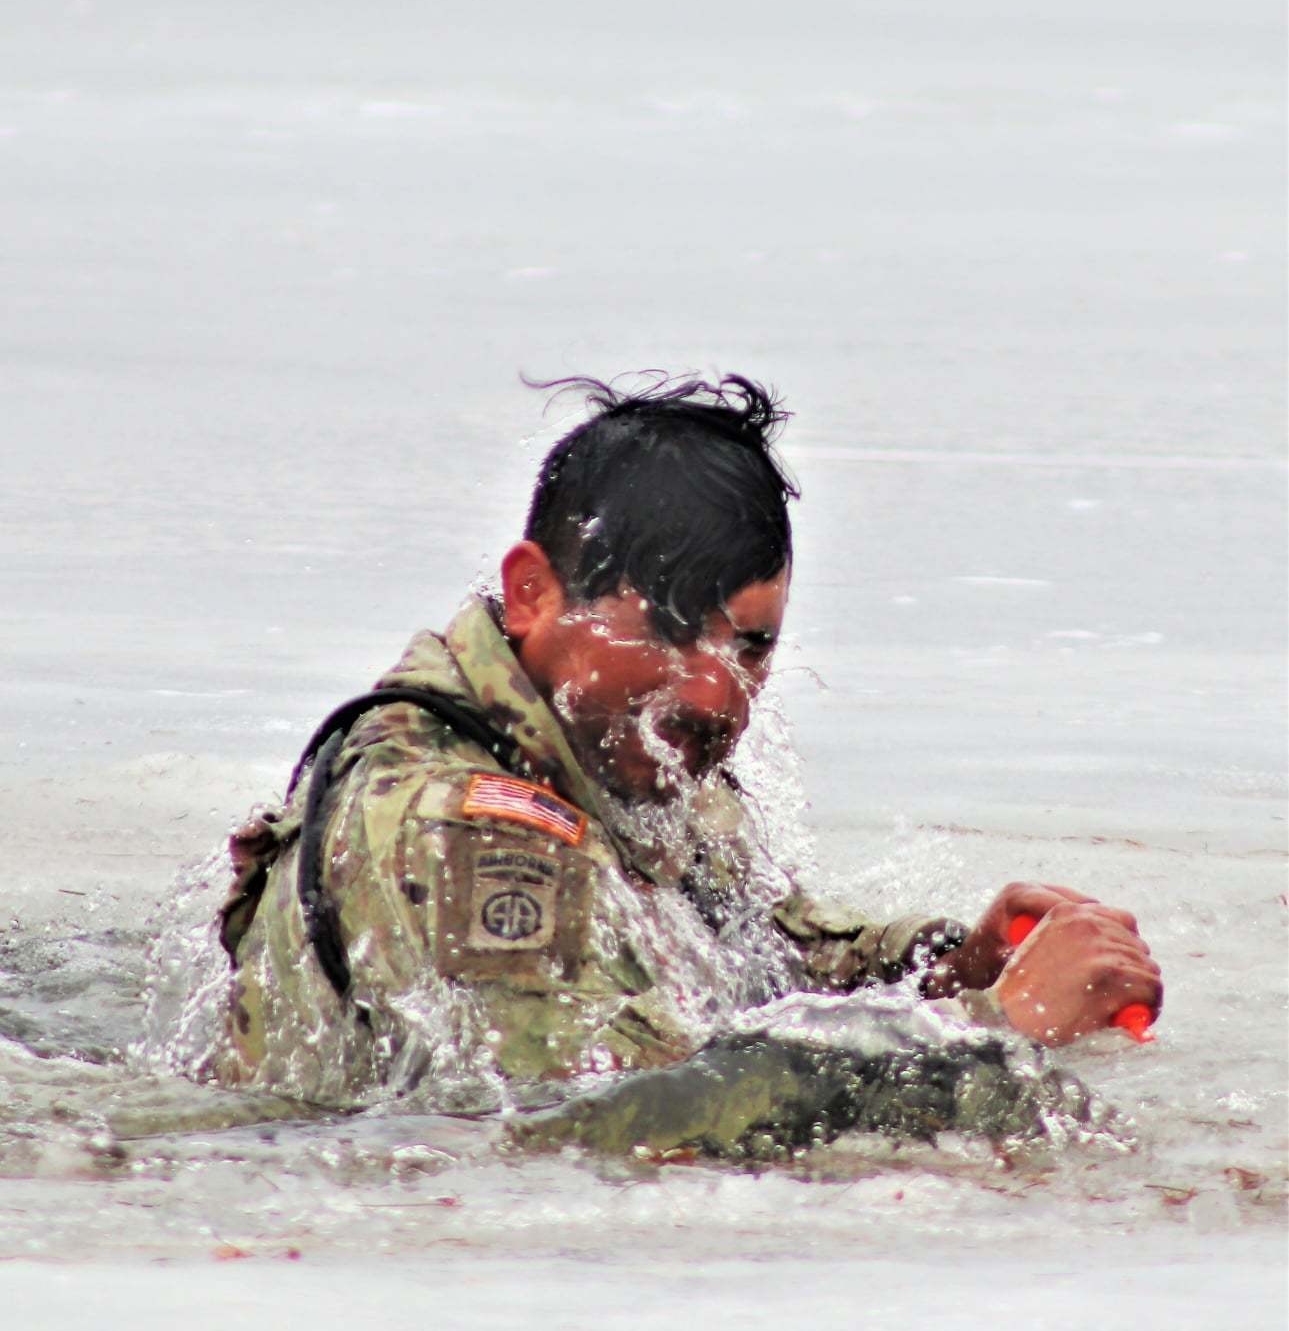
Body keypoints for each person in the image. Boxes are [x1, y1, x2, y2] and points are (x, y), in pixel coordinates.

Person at [212, 374, 1162, 1149]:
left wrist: (949, 971)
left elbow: (754, 959)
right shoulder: (459, 825)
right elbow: (598, 1122)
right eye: (666, 627)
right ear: (533, 592)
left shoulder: (615, 750)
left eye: (749, 646)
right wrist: (998, 1039)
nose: (716, 695)